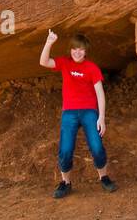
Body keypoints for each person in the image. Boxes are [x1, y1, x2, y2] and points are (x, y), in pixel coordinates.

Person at [39, 29, 116, 198]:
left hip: (89, 112)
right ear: (71, 50)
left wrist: (101, 117)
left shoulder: (91, 68)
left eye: (81, 49)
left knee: (97, 147)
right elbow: (44, 62)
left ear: (85, 51)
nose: (77, 52)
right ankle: (65, 183)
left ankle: (103, 177)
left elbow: (100, 93)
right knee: (65, 150)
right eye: (74, 49)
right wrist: (49, 42)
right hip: (70, 113)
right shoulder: (65, 63)